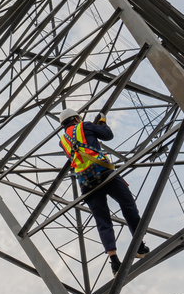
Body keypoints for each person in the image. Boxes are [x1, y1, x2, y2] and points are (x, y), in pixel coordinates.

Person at [58, 108, 149, 276]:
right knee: (127, 204)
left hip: (86, 182)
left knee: (102, 221)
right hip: (104, 173)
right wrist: (101, 123)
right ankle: (139, 246)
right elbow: (108, 136)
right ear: (76, 118)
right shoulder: (84, 126)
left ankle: (114, 262)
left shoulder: (62, 141)